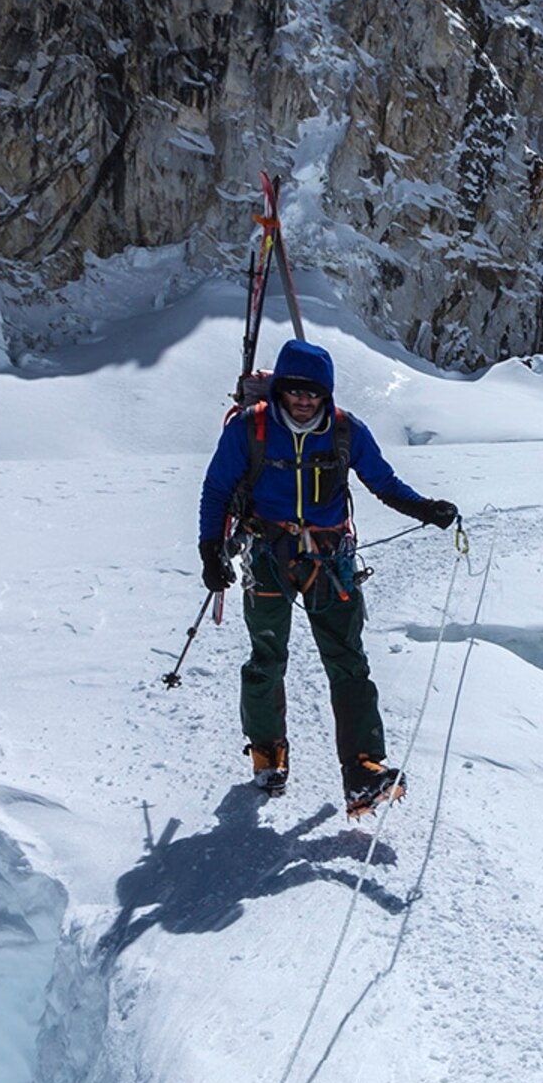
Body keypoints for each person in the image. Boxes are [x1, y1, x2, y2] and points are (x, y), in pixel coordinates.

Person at [198, 338, 459, 812]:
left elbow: (381, 480)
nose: (303, 400)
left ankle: (363, 769)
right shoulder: (250, 430)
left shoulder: (345, 432)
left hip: (329, 559)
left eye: (313, 392)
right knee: (267, 657)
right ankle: (267, 752)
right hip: (266, 556)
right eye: (294, 390)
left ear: (327, 393)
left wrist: (423, 508)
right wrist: (210, 552)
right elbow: (216, 490)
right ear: (279, 388)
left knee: (348, 660)